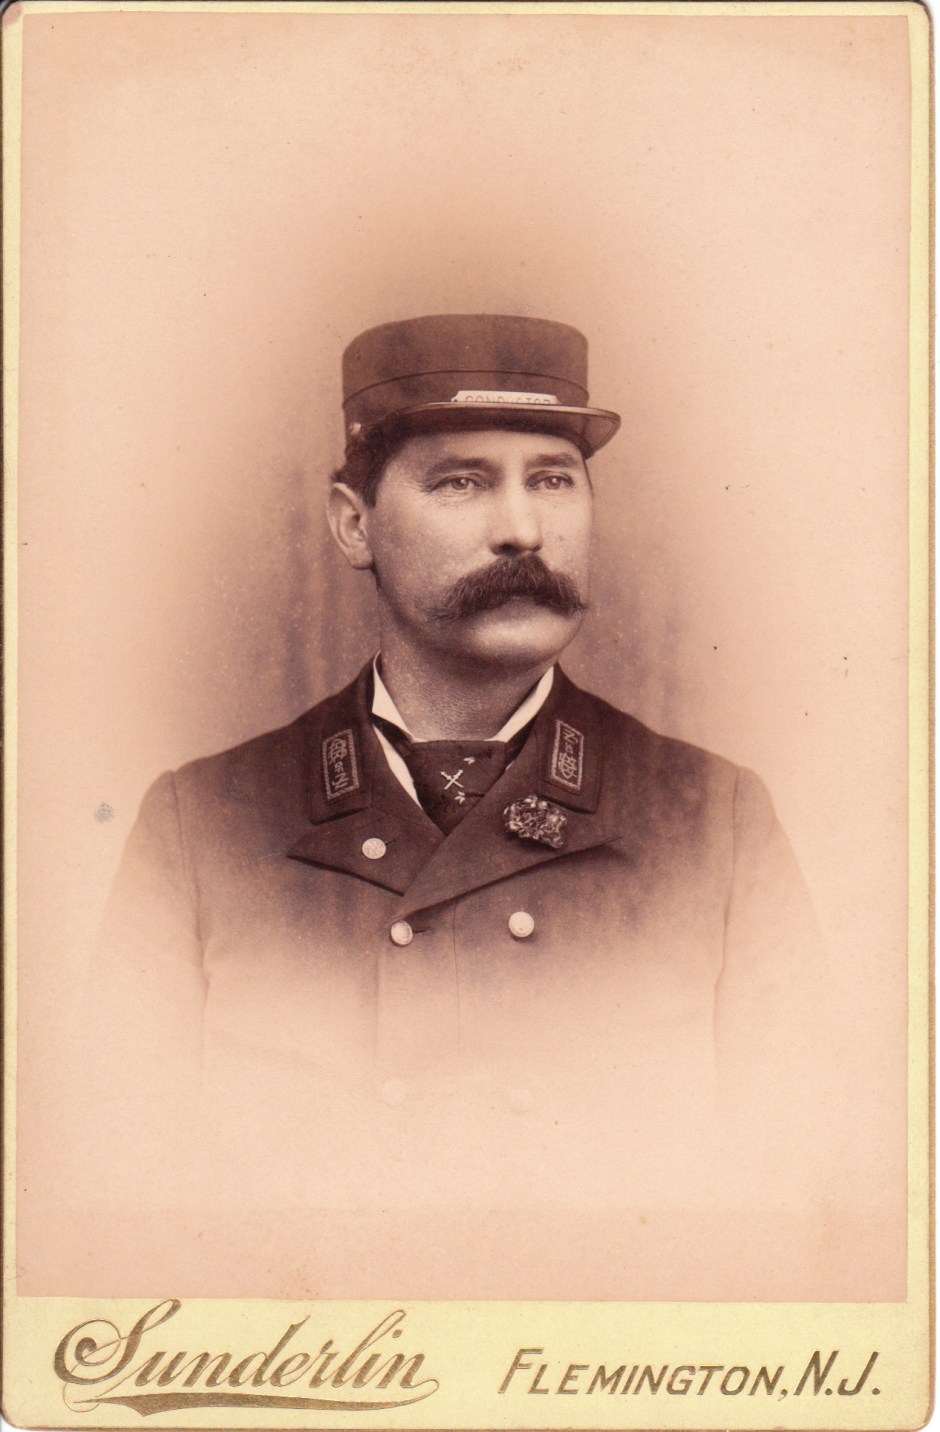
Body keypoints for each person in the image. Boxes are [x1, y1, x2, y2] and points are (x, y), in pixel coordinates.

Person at [86, 314, 833, 1299]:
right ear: (352, 523)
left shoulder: (716, 821)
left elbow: (797, 1206)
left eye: (553, 478)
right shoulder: (201, 824)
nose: (522, 528)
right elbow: (117, 1203)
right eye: (461, 482)